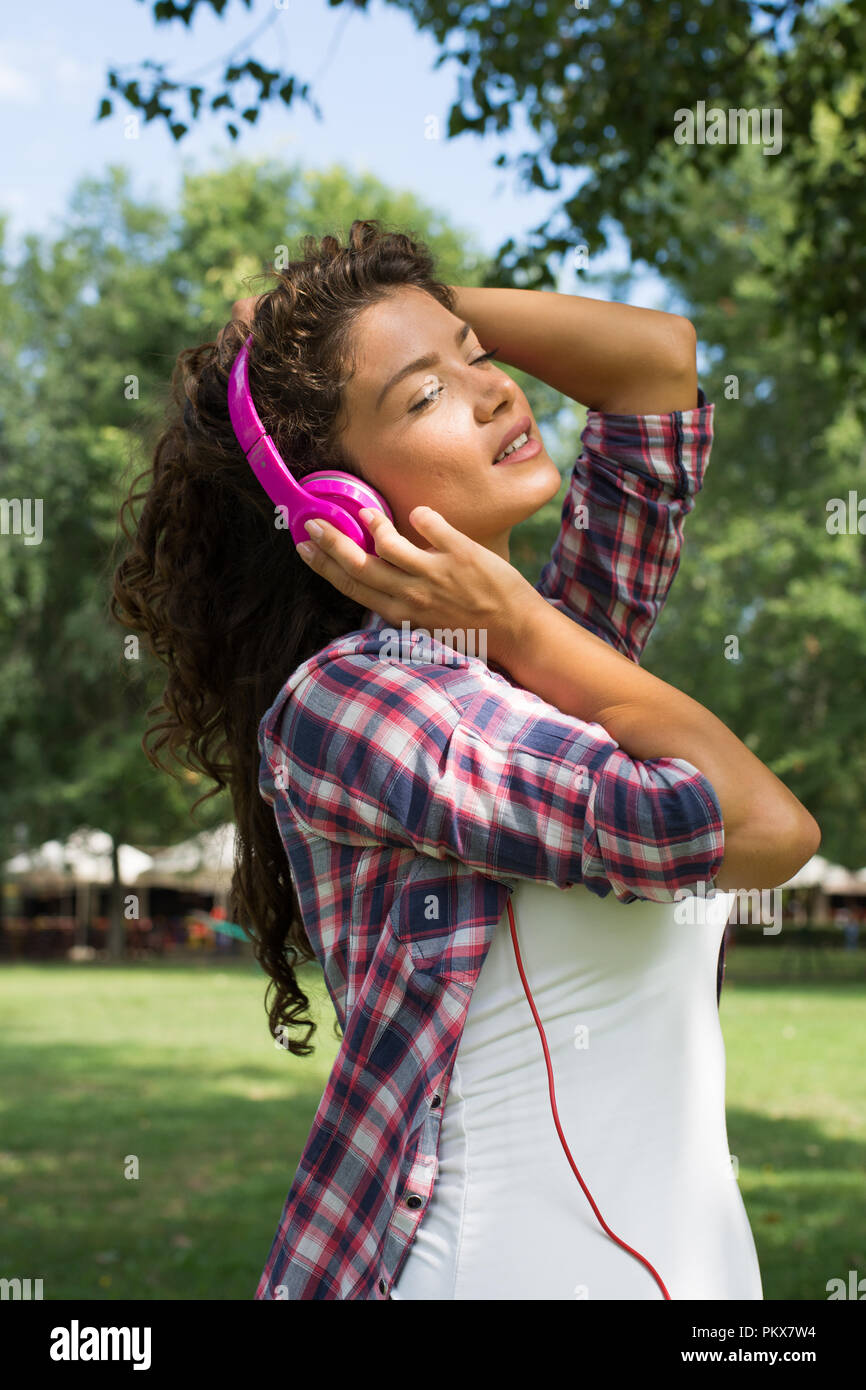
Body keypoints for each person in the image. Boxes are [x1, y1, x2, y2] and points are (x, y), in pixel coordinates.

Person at [111, 219, 820, 1300]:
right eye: (422, 397)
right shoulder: (353, 702)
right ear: (332, 507)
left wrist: (380, 314)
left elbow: (656, 361)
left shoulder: (549, 654)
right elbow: (766, 830)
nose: (493, 394)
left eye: (478, 360)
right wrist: (533, 634)